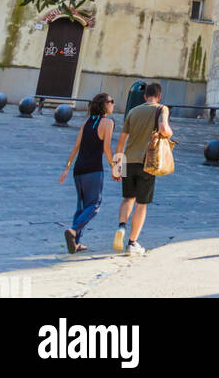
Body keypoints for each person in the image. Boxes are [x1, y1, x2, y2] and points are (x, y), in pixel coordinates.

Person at [112, 80, 172, 256]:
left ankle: (121, 227)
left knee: (127, 199)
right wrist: (170, 133)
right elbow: (163, 129)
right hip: (147, 163)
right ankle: (132, 243)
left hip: (128, 161)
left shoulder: (133, 111)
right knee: (141, 204)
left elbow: (121, 142)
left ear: (145, 97)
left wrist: (117, 167)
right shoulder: (162, 109)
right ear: (159, 96)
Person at [59, 93, 116, 253]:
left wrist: (67, 168)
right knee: (94, 205)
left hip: (78, 169)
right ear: (104, 105)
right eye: (111, 101)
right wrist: (114, 167)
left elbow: (76, 147)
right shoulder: (108, 123)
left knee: (82, 206)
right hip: (93, 170)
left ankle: (75, 243)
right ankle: (73, 230)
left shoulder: (86, 122)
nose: (113, 104)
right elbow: (107, 149)